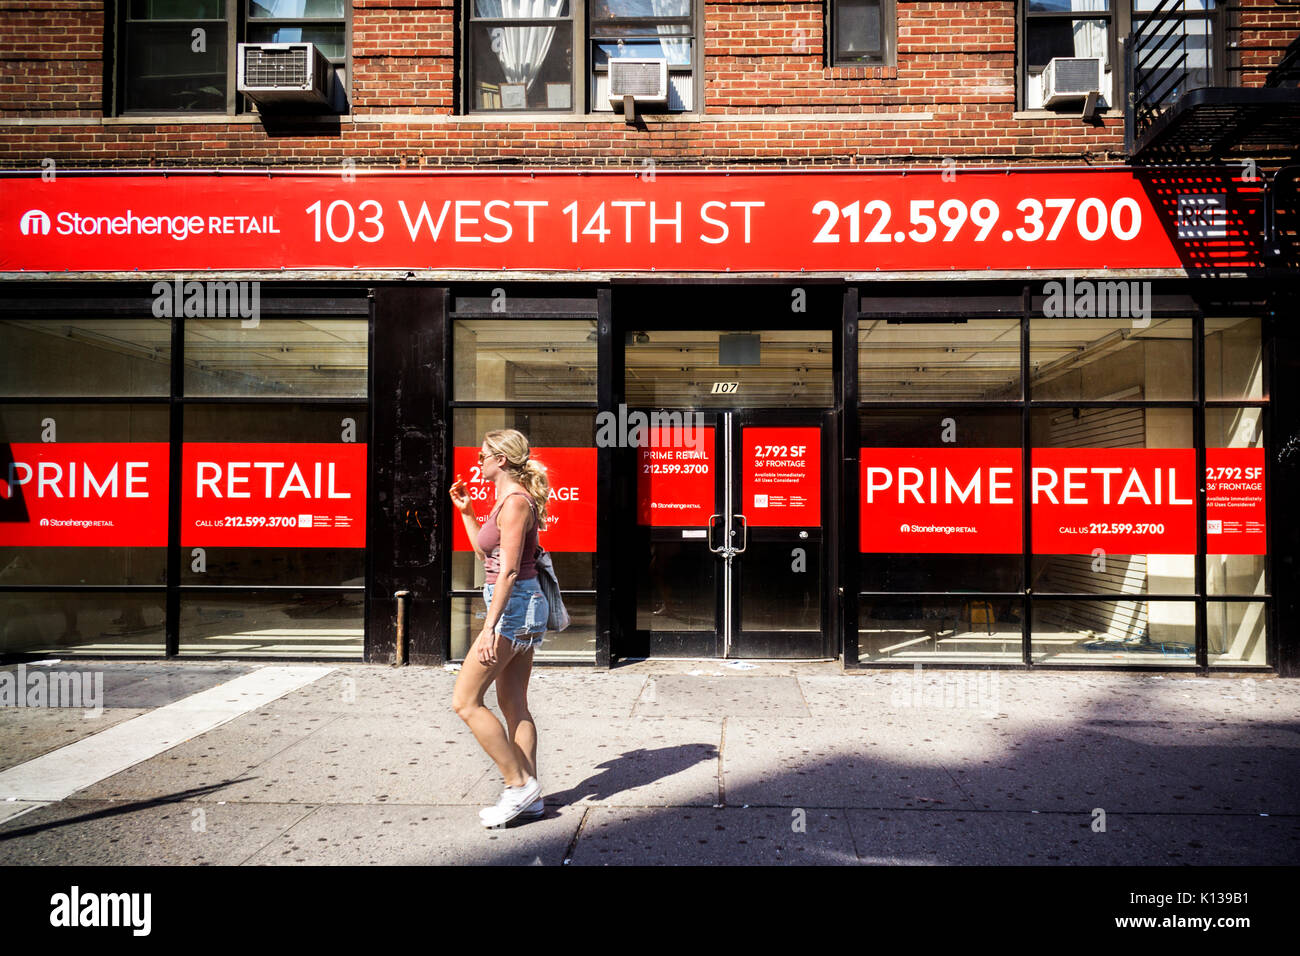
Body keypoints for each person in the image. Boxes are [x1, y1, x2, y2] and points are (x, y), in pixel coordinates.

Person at [449, 427, 549, 828]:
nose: (479, 461)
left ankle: (518, 784)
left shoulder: (515, 504)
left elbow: (508, 570)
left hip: (513, 608)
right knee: (513, 705)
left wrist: (490, 627)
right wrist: (467, 512)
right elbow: (486, 551)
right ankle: (533, 796)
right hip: (516, 605)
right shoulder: (504, 501)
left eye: (483, 455)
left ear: (501, 460)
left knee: (465, 701)